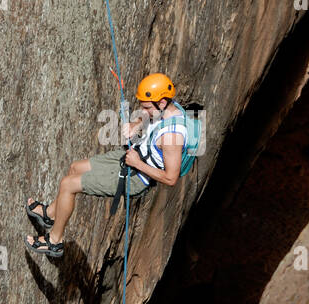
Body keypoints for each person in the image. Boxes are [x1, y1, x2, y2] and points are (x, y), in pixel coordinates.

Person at [25, 73, 189, 258]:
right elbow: (149, 116)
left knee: (68, 184)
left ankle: (54, 241)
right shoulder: (169, 107)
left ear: (161, 103)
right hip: (131, 157)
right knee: (75, 168)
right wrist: (136, 124)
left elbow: (170, 178)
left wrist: (136, 163)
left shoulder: (172, 137)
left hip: (137, 176)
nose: (144, 110)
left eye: (147, 107)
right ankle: (50, 213)